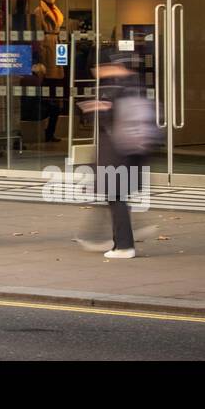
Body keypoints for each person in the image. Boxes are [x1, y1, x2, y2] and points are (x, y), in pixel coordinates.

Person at [86, 49, 156, 260]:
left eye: (99, 68)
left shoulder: (115, 87)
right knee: (118, 197)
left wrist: (97, 108)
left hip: (118, 151)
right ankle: (121, 243)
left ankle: (124, 245)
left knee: (116, 197)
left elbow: (109, 120)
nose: (97, 72)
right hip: (134, 150)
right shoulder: (136, 84)